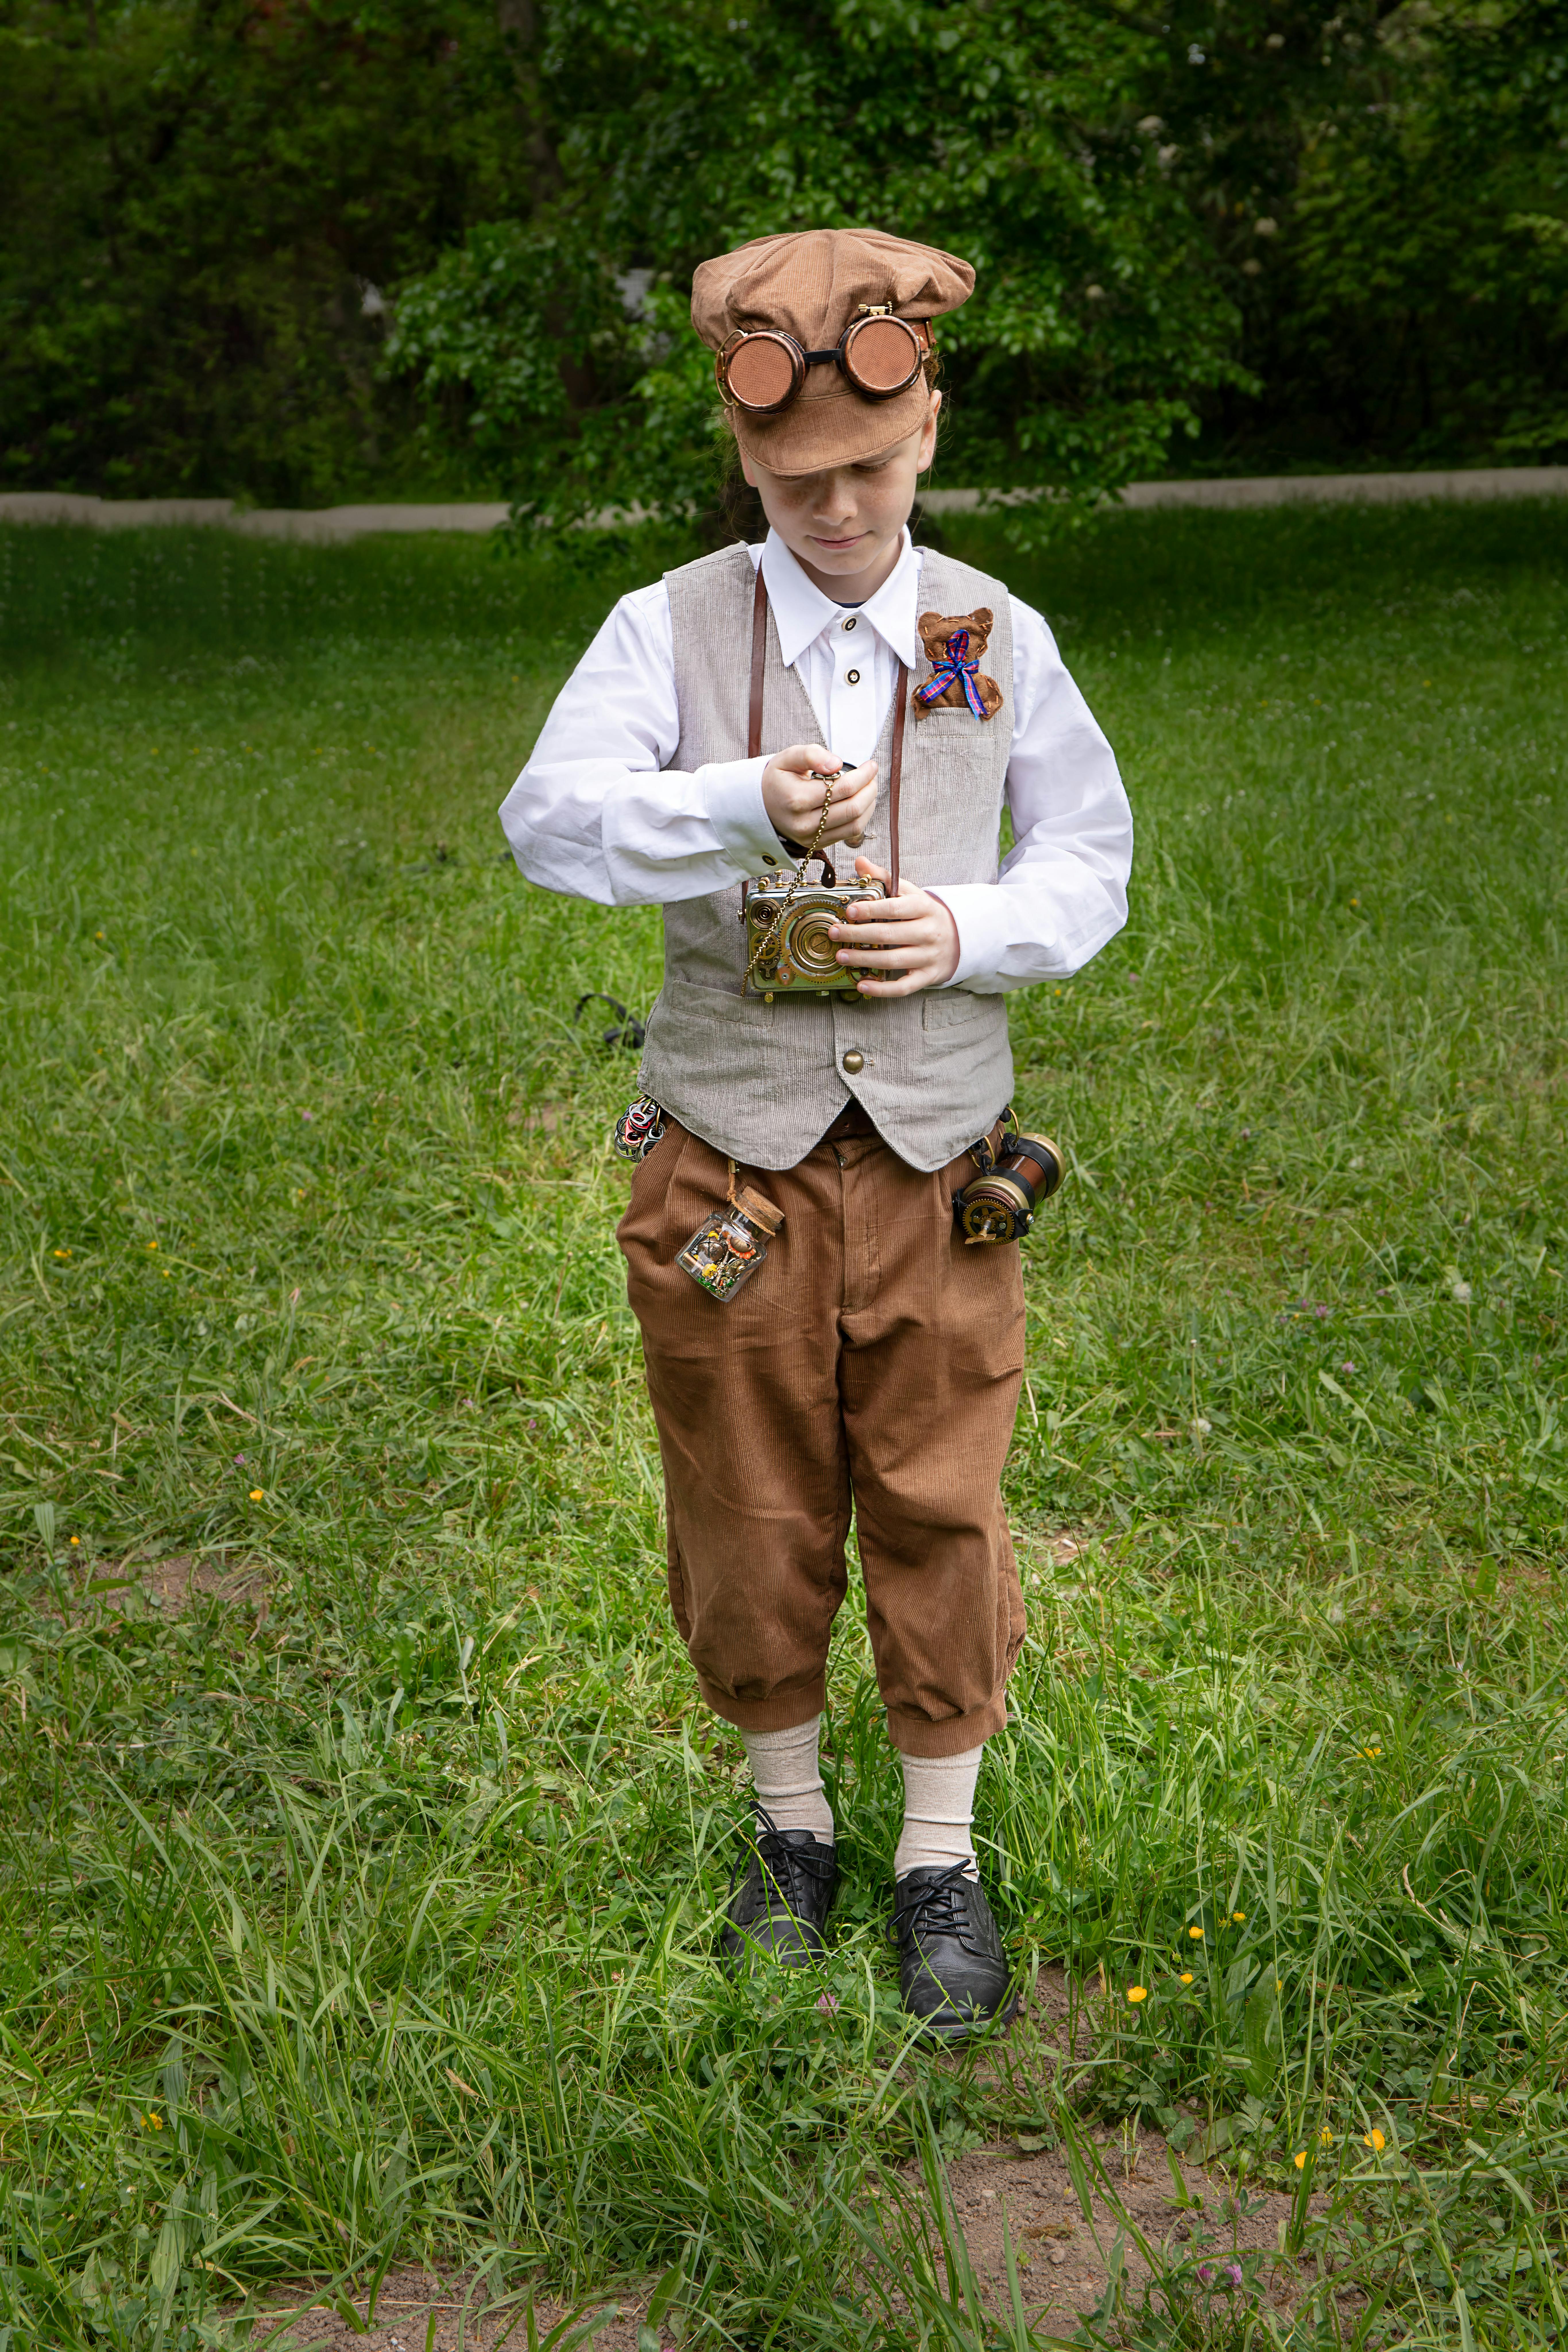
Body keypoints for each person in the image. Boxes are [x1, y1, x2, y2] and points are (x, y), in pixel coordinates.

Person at [501, 227, 1132, 2039]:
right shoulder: (671, 628)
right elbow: (548, 820)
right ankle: (793, 1830)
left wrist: (968, 931)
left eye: (867, 469)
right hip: (729, 1151)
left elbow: (1088, 857)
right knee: (746, 1489)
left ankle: (939, 1849)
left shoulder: (989, 634)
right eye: (793, 484)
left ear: (926, 429)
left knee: (938, 1488)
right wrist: (722, 805)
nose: (835, 509)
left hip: (941, 1157)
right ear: (747, 461)